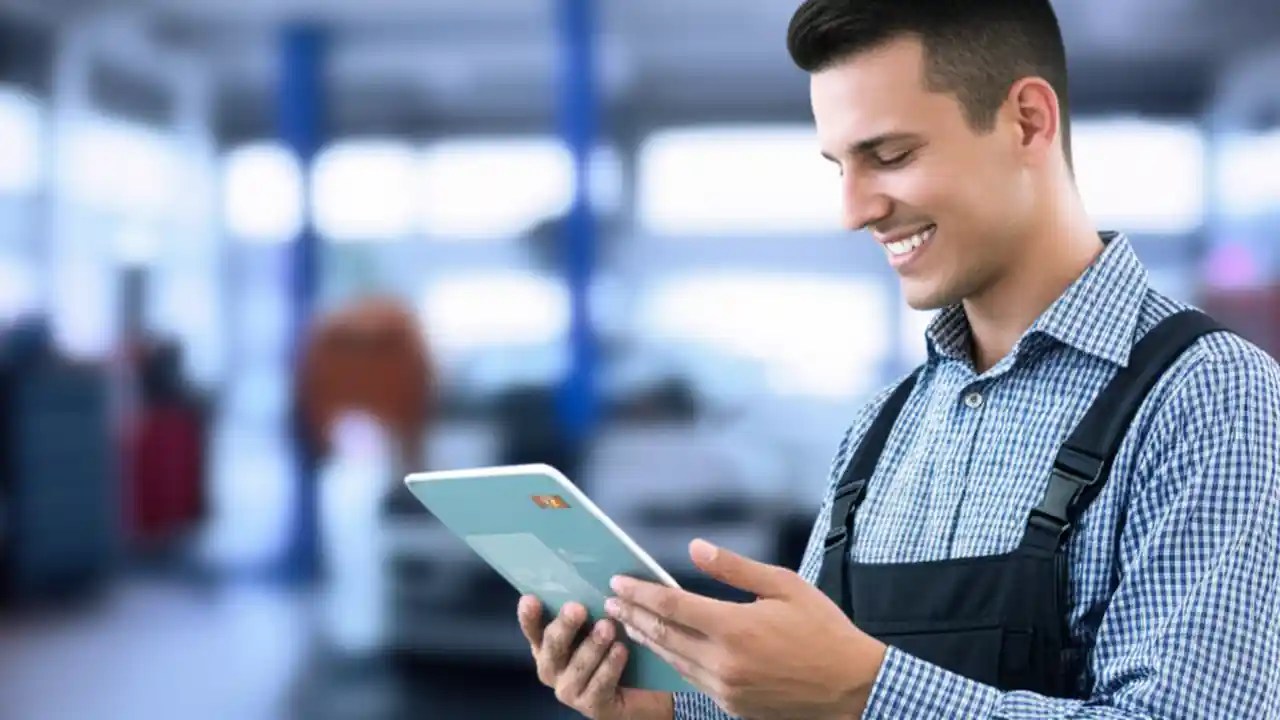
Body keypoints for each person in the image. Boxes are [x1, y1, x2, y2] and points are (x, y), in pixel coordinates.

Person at [516, 1, 1280, 718]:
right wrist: (675, 706)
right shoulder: (882, 428)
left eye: (889, 155)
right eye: (839, 165)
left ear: (1027, 121)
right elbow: (805, 701)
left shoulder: (1212, 399)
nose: (854, 209)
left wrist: (864, 688)